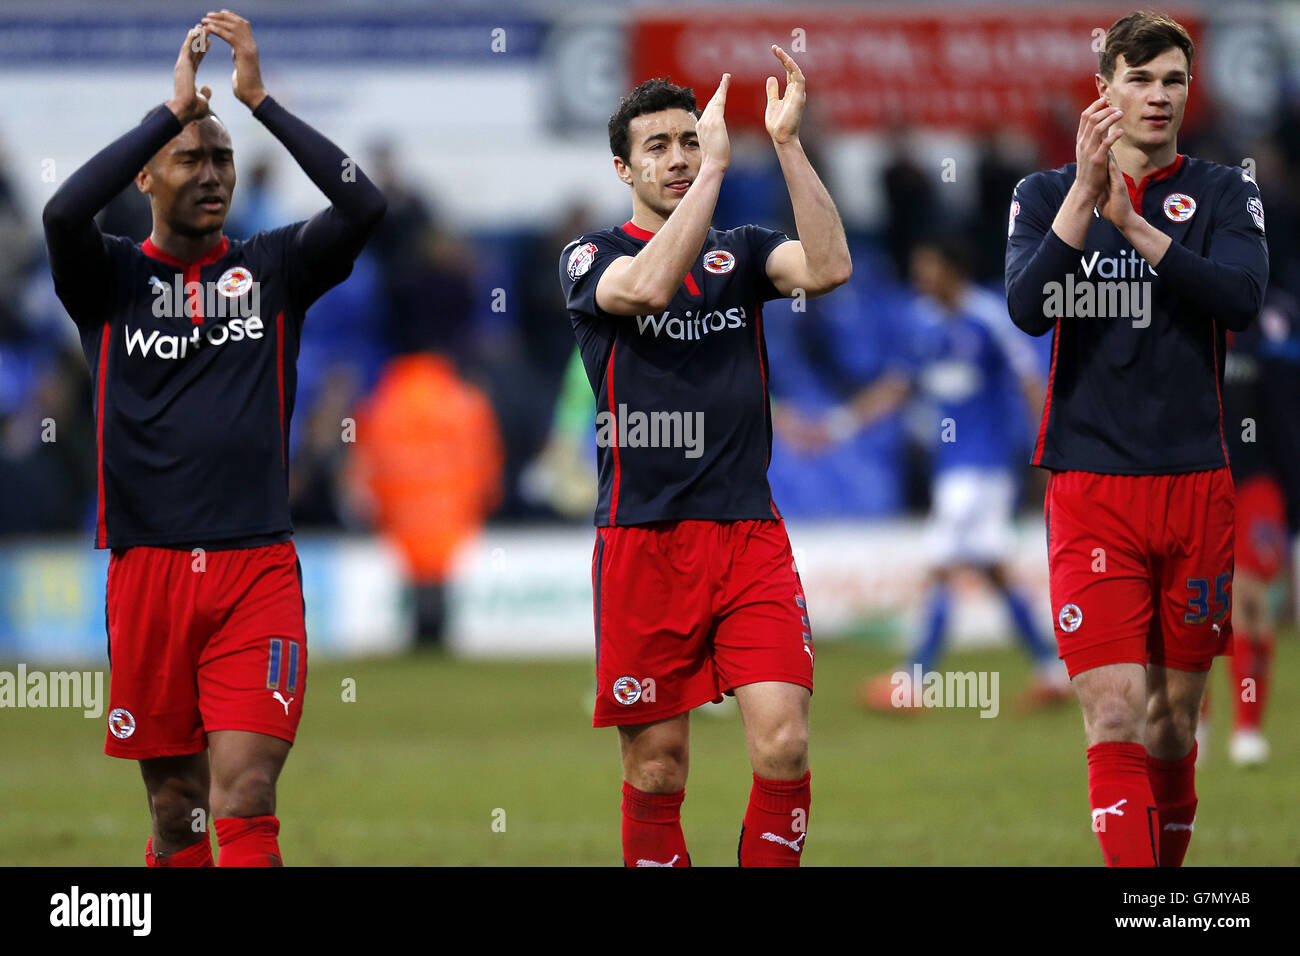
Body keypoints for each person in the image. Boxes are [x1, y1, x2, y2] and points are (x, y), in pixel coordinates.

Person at [42, 11, 385, 866]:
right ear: (147, 178)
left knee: (245, 791)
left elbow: (362, 200)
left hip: (255, 569)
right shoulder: (110, 279)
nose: (211, 174)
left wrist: (258, 101)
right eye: (190, 159)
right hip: (146, 571)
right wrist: (170, 112)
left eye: (222, 159)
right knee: (177, 811)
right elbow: (61, 211)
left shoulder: (273, 269)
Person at [558, 47, 852, 866]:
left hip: (747, 536)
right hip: (642, 541)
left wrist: (788, 146)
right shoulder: (590, 259)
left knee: (784, 746)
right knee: (657, 767)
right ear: (622, 166)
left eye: (691, 140)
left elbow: (829, 266)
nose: (681, 157)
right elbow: (649, 289)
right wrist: (718, 174)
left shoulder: (746, 253)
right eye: (658, 146)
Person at [1005, 12, 1267, 866]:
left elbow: (1240, 300)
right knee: (1114, 711)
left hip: (1196, 485)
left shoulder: (1226, 191)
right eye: (1141, 80)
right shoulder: (1045, 194)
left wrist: (1140, 229)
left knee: (1173, 721)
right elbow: (1028, 308)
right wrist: (1087, 199)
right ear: (1104, 90)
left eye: (1174, 82)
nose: (1159, 97)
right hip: (1091, 488)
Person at [847, 238, 1068, 713]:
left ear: (952, 269)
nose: (920, 278)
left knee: (941, 565)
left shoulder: (987, 317)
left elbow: (1030, 381)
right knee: (995, 570)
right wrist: (842, 424)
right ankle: (1051, 671)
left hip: (981, 468)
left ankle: (914, 679)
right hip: (952, 468)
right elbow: (898, 386)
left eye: (927, 267)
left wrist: (1046, 450)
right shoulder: (922, 322)